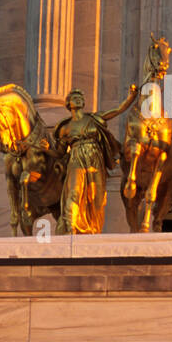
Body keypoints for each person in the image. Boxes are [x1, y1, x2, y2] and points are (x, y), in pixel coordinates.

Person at [55, 86, 136, 234]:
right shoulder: (65, 128)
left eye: (80, 97)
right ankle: (70, 228)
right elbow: (59, 153)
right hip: (76, 158)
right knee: (74, 191)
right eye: (74, 97)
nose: (78, 99)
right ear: (68, 104)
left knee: (98, 198)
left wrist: (131, 97)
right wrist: (44, 148)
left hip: (95, 158)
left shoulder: (94, 118)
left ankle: (94, 230)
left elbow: (117, 110)